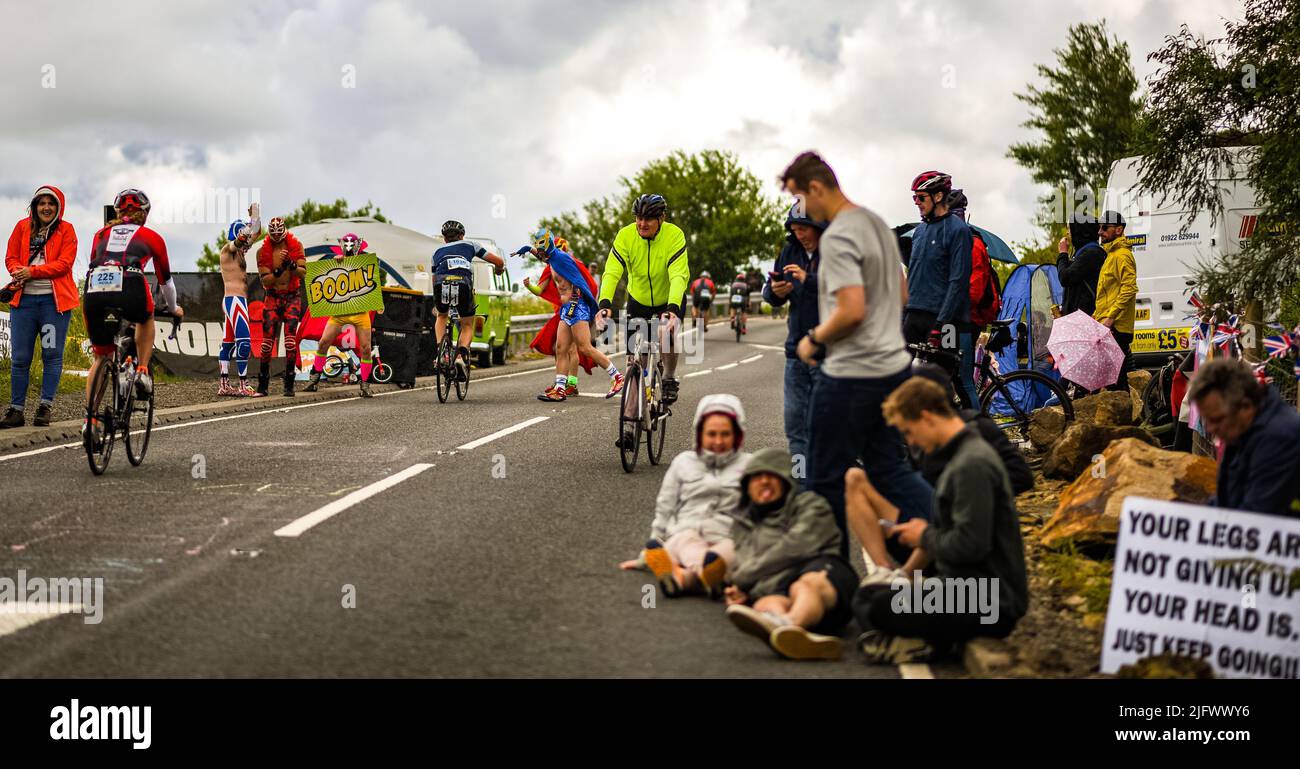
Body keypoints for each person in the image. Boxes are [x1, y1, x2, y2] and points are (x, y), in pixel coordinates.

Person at [782, 151, 933, 558]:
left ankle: (830, 574)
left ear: (816, 188)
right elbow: (902, 294)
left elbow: (850, 310)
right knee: (890, 468)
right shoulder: (877, 226)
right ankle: (950, 538)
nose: (803, 209)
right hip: (893, 369)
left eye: (802, 198)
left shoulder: (840, 235)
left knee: (824, 476)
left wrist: (813, 339)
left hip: (850, 375)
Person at [855, 377, 1028, 664]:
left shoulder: (971, 464)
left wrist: (923, 536)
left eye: (909, 432)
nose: (910, 442)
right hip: (966, 589)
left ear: (926, 417)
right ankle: (921, 639)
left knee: (875, 605)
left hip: (990, 600)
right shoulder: (961, 455)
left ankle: (927, 644)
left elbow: (971, 545)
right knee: (868, 595)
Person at [846, 362, 1034, 575]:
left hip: (958, 522)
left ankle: (905, 576)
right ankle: (886, 571)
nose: (910, 438)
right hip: (934, 515)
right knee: (856, 480)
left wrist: (971, 494)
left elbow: (1022, 476)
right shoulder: (923, 441)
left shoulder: (977, 431)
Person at [723, 447, 857, 661]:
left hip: (824, 575)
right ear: (747, 485)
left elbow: (795, 547)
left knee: (803, 585)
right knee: (764, 605)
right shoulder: (743, 523)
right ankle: (790, 635)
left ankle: (791, 624)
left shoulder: (811, 505)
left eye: (772, 476)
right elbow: (743, 563)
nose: (764, 481)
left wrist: (743, 582)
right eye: (757, 476)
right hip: (777, 585)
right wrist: (745, 592)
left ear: (786, 482)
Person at [619, 394, 749, 597]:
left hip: (727, 536)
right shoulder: (684, 462)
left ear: (738, 435)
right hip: (688, 533)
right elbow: (666, 505)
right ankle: (709, 577)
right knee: (678, 543)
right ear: (699, 433)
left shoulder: (749, 466)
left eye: (725, 434)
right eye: (711, 434)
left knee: (733, 551)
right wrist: (652, 544)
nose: (718, 441)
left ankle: (683, 577)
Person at [81, 189, 184, 444]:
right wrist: (173, 309)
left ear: (118, 212)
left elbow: (98, 261)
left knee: (101, 356)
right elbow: (166, 283)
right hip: (130, 284)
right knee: (145, 318)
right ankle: (140, 372)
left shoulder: (101, 234)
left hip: (94, 290)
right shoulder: (151, 236)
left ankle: (90, 421)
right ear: (145, 213)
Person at [595, 194, 690, 422]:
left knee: (664, 331)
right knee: (634, 363)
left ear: (662, 218)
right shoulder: (626, 236)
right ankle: (629, 423)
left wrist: (673, 308)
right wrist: (605, 304)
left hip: (668, 300)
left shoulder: (674, 235)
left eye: (648, 219)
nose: (642, 223)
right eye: (638, 217)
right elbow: (612, 273)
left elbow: (678, 275)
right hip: (638, 301)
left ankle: (668, 377)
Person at [2, 185, 78, 429]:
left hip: (52, 305)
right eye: (41, 203)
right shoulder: (21, 227)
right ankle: (16, 410)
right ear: (34, 206)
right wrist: (16, 270)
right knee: (20, 358)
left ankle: (45, 407)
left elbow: (64, 264)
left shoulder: (67, 230)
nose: (46, 207)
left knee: (51, 355)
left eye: (51, 203)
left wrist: (32, 271)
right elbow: (10, 257)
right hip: (23, 304)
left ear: (59, 207)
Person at [517, 230, 623, 402]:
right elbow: (542, 258)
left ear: (549, 246)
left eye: (542, 249)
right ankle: (560, 388)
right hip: (566, 309)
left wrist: (574, 303)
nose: (541, 254)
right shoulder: (551, 258)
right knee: (561, 348)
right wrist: (529, 249)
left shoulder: (561, 259)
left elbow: (578, 283)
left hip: (577, 306)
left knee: (584, 348)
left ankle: (617, 377)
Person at [1189, 358, 1300, 516]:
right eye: (1206, 420)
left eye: (1217, 419)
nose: (1210, 428)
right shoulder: (1243, 431)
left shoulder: (1280, 438)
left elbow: (1254, 520)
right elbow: (1226, 501)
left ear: (1246, 407)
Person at [904, 170, 976, 407]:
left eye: (920, 197)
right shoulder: (920, 231)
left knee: (942, 386)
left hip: (946, 323)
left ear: (937, 196)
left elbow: (958, 282)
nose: (916, 203)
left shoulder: (959, 231)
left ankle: (959, 435)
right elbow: (913, 276)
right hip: (914, 314)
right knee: (894, 377)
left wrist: (941, 324)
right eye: (914, 198)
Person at [762, 204, 826, 464]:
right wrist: (774, 292)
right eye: (795, 229)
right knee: (795, 426)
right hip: (794, 351)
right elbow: (769, 292)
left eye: (804, 229)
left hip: (829, 353)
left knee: (825, 426)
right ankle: (802, 485)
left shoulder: (836, 250)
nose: (800, 234)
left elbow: (849, 289)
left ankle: (827, 484)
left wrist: (808, 278)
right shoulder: (789, 250)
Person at [304, 233, 382, 397]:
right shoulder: (336, 259)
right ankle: (313, 380)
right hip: (339, 313)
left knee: (366, 349)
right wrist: (337, 261)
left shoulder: (365, 261)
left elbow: (374, 282)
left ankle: (365, 385)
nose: (348, 248)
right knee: (323, 343)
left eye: (351, 245)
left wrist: (379, 303)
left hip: (360, 314)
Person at [430, 220, 505, 384]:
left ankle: (441, 353)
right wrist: (499, 270)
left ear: (444, 239)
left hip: (441, 284)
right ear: (462, 236)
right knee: (467, 325)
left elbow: (434, 278)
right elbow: (499, 262)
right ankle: (459, 356)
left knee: (441, 316)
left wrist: (438, 302)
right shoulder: (470, 245)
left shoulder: (436, 253)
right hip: (463, 285)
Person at [256, 216, 306, 397]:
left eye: (280, 233)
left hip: (292, 297)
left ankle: (289, 384)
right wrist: (278, 271)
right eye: (273, 234)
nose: (277, 236)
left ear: (284, 232)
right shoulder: (262, 251)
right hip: (273, 297)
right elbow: (265, 281)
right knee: (267, 343)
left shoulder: (296, 245)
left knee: (290, 341)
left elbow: (302, 273)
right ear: (270, 234)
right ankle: (262, 385)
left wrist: (290, 264)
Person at [217, 215, 262, 397]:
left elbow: (257, 231)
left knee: (227, 343)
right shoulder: (228, 250)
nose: (247, 243)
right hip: (234, 300)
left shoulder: (241, 253)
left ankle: (224, 385)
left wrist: (255, 215)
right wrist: (245, 232)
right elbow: (236, 242)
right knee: (244, 342)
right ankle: (243, 386)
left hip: (235, 300)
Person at [1094, 210, 1137, 391]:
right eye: (1099, 227)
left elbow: (1129, 289)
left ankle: (1125, 416)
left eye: (1105, 227)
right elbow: (1107, 294)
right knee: (1113, 380)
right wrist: (1095, 318)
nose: (1100, 232)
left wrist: (1110, 318)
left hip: (1116, 327)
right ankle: (1125, 416)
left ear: (1119, 230)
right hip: (1107, 325)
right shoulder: (1111, 254)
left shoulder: (1122, 255)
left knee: (1116, 382)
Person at [1055, 212, 1105, 317]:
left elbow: (1065, 277)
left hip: (1086, 319)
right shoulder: (1082, 254)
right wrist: (1064, 308)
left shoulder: (1092, 253)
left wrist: (1063, 253)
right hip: (1078, 319)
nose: (1068, 233)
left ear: (1080, 231)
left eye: (1070, 229)